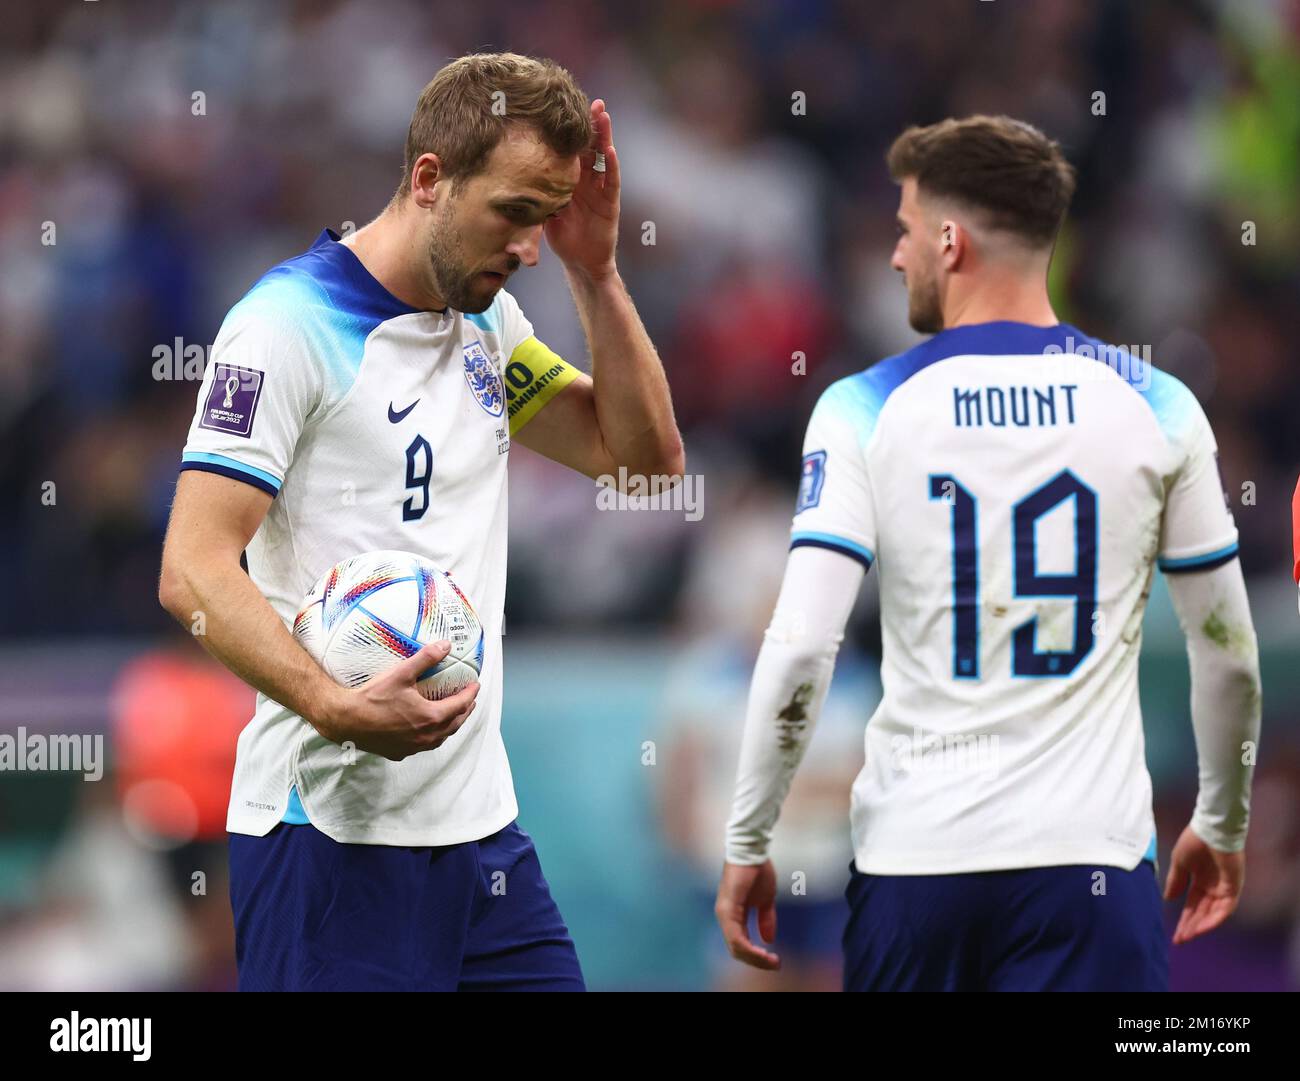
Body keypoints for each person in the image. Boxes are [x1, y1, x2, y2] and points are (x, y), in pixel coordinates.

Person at [158, 52, 683, 991]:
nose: (529, 244)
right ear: (432, 179)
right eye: (516, 211)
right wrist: (330, 701)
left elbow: (642, 464)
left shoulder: (487, 324)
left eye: (548, 216)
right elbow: (192, 569)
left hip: (482, 842)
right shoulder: (284, 326)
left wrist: (596, 272)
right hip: (326, 835)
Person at [716, 115, 1261, 992]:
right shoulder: (1160, 404)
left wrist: (749, 836)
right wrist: (1223, 822)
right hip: (1092, 869)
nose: (896, 258)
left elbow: (801, 647)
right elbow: (1228, 654)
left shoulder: (864, 407)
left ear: (949, 238)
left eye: (902, 232)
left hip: (916, 867)